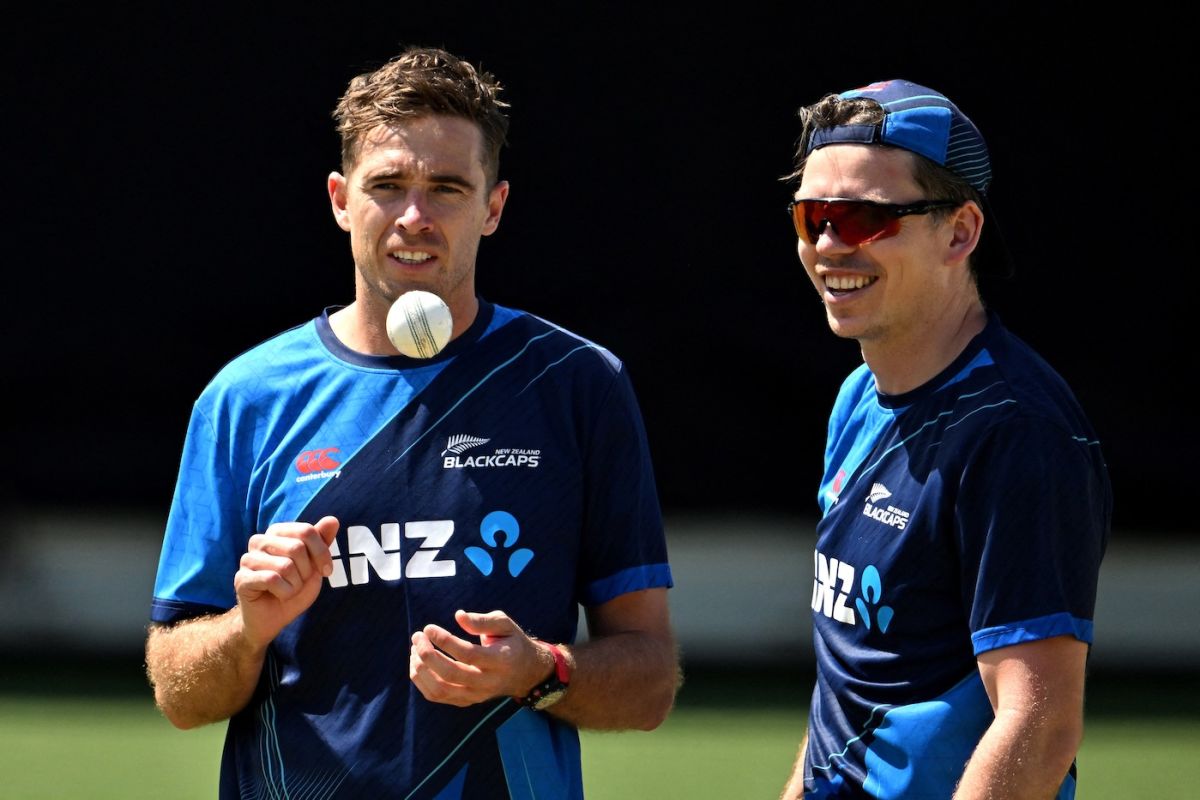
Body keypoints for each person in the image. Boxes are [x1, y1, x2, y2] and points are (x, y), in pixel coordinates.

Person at [144, 45, 680, 800]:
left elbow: (651, 679)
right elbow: (178, 691)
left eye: (447, 188)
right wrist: (247, 628)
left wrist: (539, 672)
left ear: (493, 206)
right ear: (339, 199)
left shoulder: (576, 383)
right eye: (387, 185)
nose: (415, 217)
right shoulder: (245, 397)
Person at [778, 80, 1111, 799]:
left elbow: (1039, 722)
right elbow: (850, 683)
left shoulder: (1016, 431)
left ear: (960, 232)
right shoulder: (858, 397)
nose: (830, 245)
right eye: (813, 216)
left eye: (865, 218)